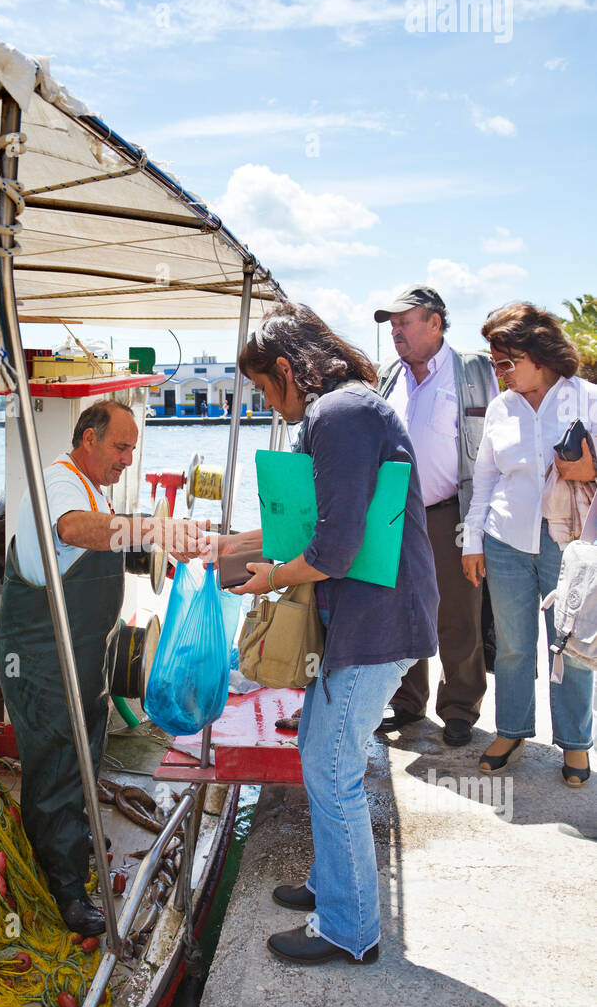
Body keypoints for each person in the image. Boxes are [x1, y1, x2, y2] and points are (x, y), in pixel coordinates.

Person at [222, 302, 438, 967]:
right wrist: (235, 545)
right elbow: (327, 527)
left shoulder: (339, 415)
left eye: (264, 386)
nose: (267, 400)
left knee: (332, 765)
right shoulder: (346, 408)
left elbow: (334, 549)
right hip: (366, 612)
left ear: (287, 369)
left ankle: (350, 929)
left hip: (378, 618)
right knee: (319, 743)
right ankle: (330, 884)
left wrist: (268, 578)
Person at [0, 400, 210, 935]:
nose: (127, 459)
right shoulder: (60, 485)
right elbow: (72, 530)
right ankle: (63, 889)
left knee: (86, 751)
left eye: (133, 449)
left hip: (84, 657)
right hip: (43, 656)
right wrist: (151, 531)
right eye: (120, 447)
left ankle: (74, 836)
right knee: (56, 762)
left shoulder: (95, 489)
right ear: (87, 439)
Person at [461, 302, 597, 787]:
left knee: (570, 648)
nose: (499, 373)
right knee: (515, 647)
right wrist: (472, 542)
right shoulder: (501, 407)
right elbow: (485, 481)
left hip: (570, 545)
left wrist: (591, 469)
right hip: (505, 542)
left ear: (539, 355)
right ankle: (512, 730)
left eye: (506, 362)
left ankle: (576, 743)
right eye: (496, 362)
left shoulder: (588, 399)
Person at [374, 285, 498, 746]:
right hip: (397, 513)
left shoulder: (474, 369)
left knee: (458, 612)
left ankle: (460, 708)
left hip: (452, 512)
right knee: (404, 608)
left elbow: (496, 438)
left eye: (404, 321)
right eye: (392, 324)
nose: (396, 331)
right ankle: (408, 701)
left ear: (435, 323)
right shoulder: (388, 374)